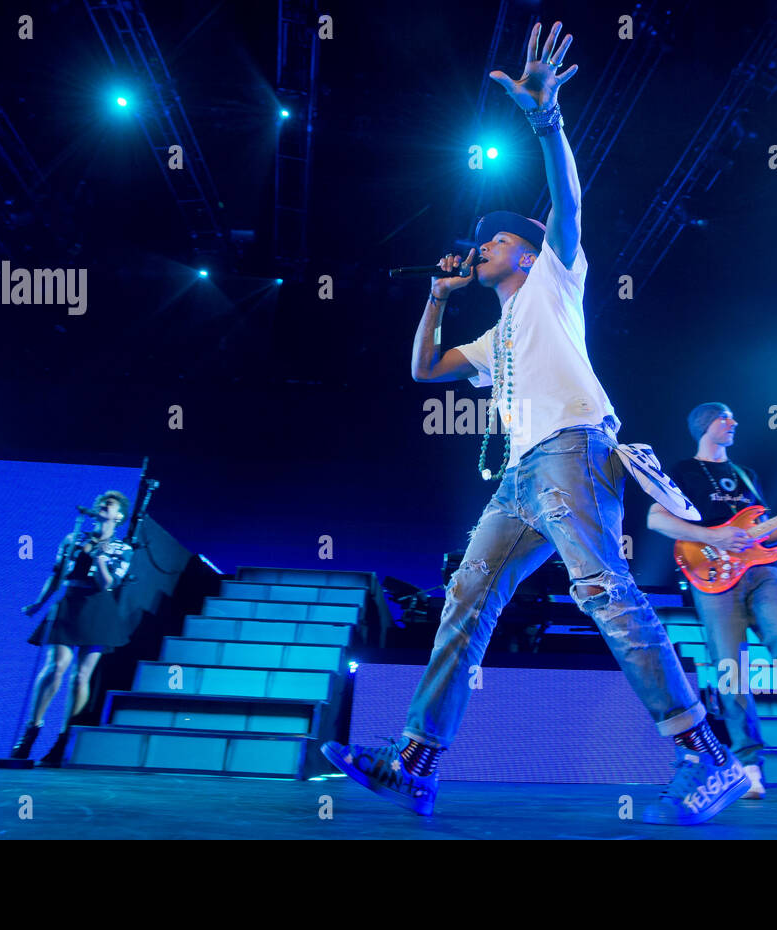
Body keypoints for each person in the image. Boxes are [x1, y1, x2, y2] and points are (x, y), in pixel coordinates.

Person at [320, 21, 748, 825]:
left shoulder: (554, 275)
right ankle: (416, 763)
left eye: (487, 246)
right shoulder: (494, 332)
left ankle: (707, 757)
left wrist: (546, 120)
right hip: (519, 479)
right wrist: (437, 297)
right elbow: (423, 369)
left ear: (519, 248)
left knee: (605, 593)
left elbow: (571, 200)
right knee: (466, 598)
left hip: (574, 451)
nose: (476, 254)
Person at [646, 403, 777, 802]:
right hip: (712, 575)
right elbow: (656, 520)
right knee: (730, 667)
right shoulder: (682, 471)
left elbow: (763, 538)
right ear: (704, 424)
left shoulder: (746, 475)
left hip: (763, 574)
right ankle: (746, 763)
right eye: (725, 417)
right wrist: (715, 538)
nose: (734, 423)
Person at [10, 491, 134, 766]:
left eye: (110, 504)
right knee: (57, 667)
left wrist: (100, 558)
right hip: (69, 603)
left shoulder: (123, 548)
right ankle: (32, 730)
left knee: (81, 676)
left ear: (119, 516)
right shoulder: (74, 538)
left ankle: (64, 738)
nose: (103, 506)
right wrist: (38, 603)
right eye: (102, 502)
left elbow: (108, 584)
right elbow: (57, 574)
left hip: (98, 609)